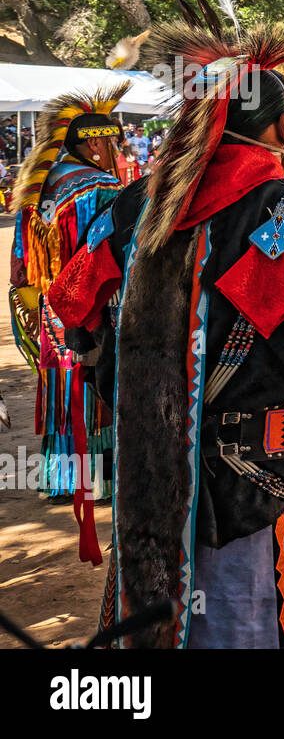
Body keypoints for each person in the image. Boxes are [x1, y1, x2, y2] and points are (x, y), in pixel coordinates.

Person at [47, 17, 284, 647]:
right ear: (276, 132)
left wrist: (125, 386)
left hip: (148, 497)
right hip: (254, 497)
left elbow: (72, 309)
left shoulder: (132, 210)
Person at [10, 85, 125, 535]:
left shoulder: (43, 183)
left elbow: (22, 256)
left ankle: (65, 477)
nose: (115, 150)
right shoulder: (99, 187)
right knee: (95, 379)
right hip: (88, 304)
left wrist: (32, 295)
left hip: (49, 307)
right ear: (94, 143)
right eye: (112, 142)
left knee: (64, 382)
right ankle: (97, 478)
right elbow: (109, 251)